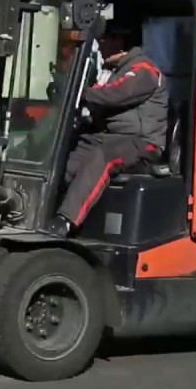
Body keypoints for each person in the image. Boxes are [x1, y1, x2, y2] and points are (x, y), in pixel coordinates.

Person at [45, 22, 168, 237]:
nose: (100, 45)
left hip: (141, 143)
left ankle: (66, 221)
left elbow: (114, 95)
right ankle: (41, 208)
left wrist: (78, 92)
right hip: (109, 138)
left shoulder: (143, 71)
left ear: (119, 42)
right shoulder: (112, 70)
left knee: (103, 156)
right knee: (66, 152)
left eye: (104, 39)